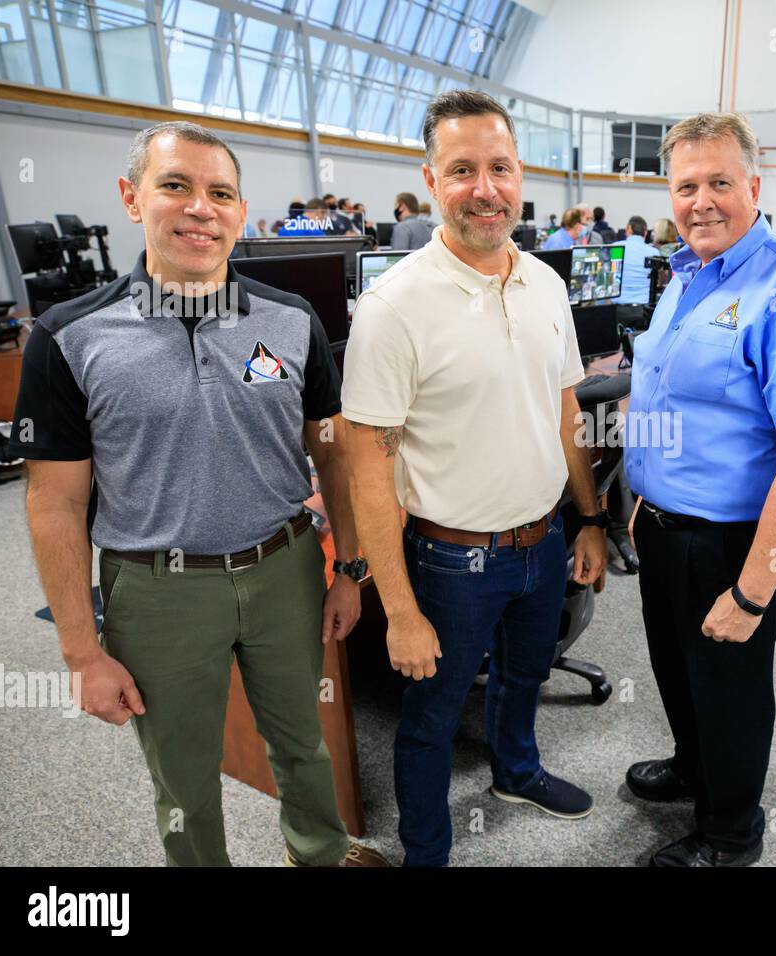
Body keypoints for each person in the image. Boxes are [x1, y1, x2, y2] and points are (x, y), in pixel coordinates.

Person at [7, 120, 386, 868]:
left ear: (242, 212)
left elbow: (333, 455)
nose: (200, 208)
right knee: (183, 776)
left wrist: (351, 568)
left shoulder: (290, 321)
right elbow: (52, 504)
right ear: (131, 196)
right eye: (175, 186)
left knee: (302, 745)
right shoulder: (69, 336)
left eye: (220, 193)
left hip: (285, 569)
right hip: (156, 590)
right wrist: (83, 653)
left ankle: (318, 853)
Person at [341, 90, 607, 868]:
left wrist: (588, 519)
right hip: (453, 560)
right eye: (462, 170)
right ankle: (427, 849)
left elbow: (564, 415)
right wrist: (398, 610)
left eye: (499, 167)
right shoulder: (395, 307)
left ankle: (518, 773)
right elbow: (369, 467)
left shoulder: (547, 284)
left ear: (520, 174)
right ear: (431, 180)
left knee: (523, 676)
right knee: (430, 713)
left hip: (543, 539)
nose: (484, 188)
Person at [624, 112, 776, 867]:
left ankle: (732, 834)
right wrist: (640, 497)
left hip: (736, 541)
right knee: (676, 667)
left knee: (729, 687)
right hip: (663, 528)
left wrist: (755, 589)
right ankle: (695, 770)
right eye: (686, 186)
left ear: (753, 187)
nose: (702, 201)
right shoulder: (684, 276)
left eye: (720, 183)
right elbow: (668, 401)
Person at [614, 214, 656, 305]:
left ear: (628, 229)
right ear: (645, 233)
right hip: (644, 308)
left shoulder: (616, 248)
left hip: (617, 308)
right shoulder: (654, 252)